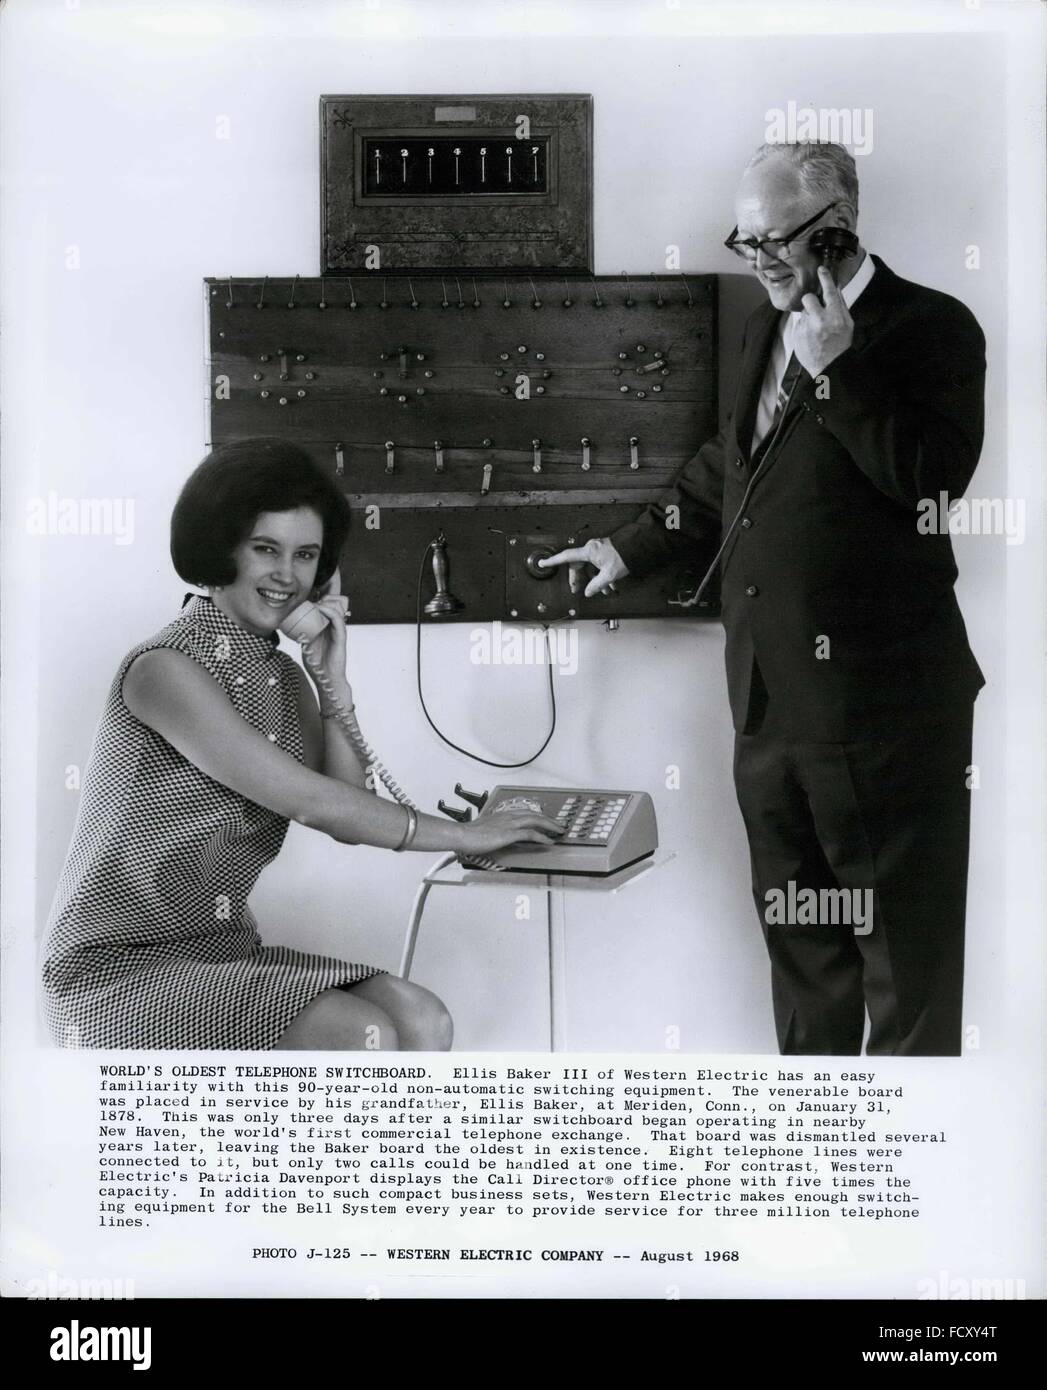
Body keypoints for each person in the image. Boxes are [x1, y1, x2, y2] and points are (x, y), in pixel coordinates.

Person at [542, 141, 986, 1056]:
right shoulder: (760, 328)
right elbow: (730, 470)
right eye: (745, 243)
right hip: (767, 703)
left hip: (885, 708)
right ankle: (818, 1162)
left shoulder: (933, 327)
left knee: (905, 964)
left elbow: (931, 482)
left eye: (774, 242)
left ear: (836, 231)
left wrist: (839, 368)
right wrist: (626, 549)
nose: (759, 262)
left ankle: (917, 1177)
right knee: (803, 955)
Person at [41, 438, 563, 1051]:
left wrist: (332, 682)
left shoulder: (286, 679)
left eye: (307, 555)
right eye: (266, 550)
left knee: (424, 1020)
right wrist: (469, 835)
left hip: (222, 954)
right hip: (115, 971)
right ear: (221, 547)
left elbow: (347, 808)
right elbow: (309, 802)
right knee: (361, 1033)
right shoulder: (164, 669)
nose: (287, 576)